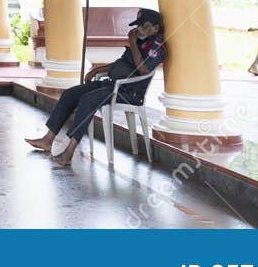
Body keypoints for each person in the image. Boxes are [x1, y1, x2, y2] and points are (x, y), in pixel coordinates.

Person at [25, 9, 165, 168]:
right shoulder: (141, 41)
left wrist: (132, 42)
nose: (138, 30)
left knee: (88, 100)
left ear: (156, 27)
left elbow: (143, 70)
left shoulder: (156, 47)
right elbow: (122, 64)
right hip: (112, 85)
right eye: (138, 26)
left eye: (143, 26)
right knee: (71, 93)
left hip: (129, 92)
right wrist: (97, 70)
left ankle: (69, 152)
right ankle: (48, 139)